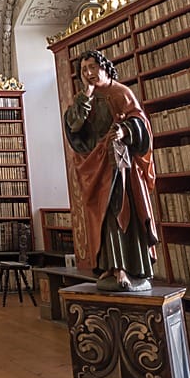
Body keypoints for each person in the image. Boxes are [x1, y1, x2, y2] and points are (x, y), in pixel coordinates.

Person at [63, 49, 157, 291]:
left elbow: (140, 122)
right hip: (96, 166)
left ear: (104, 67)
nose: (89, 73)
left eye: (93, 67)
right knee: (102, 219)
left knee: (119, 212)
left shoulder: (120, 92)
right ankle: (108, 265)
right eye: (84, 70)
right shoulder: (84, 98)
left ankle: (126, 268)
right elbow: (74, 125)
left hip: (120, 166)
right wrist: (87, 95)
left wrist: (125, 131)